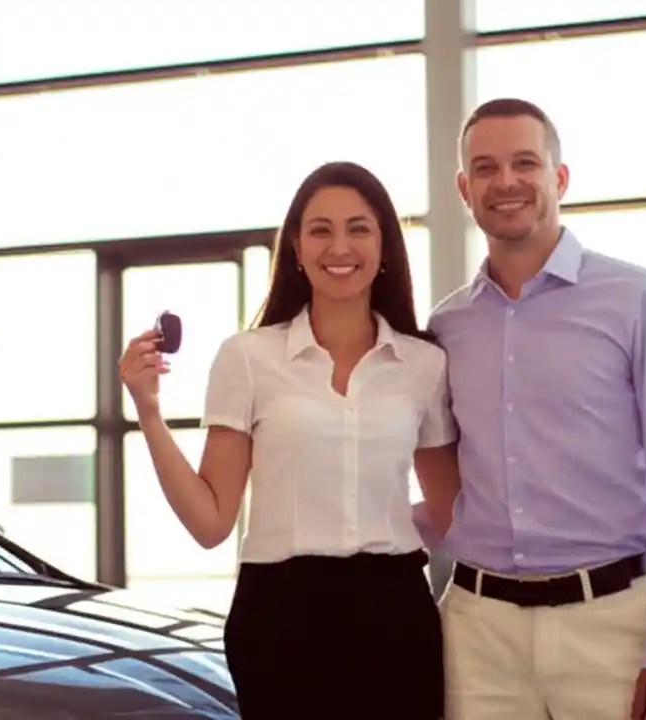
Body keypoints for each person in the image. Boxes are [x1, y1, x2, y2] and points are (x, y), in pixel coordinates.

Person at [118, 161, 461, 718]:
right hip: (281, 616)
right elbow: (210, 523)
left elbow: (450, 514)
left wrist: (385, 514)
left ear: (385, 248)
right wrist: (149, 412)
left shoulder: (425, 365)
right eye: (320, 229)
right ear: (296, 249)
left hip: (395, 611)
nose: (339, 245)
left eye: (359, 227)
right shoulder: (248, 357)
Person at [423, 97, 646, 720]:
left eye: (524, 163)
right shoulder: (446, 326)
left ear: (559, 178)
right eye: (485, 168)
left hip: (612, 627)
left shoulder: (641, 301)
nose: (505, 182)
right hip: (478, 633)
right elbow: (449, 489)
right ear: (464, 188)